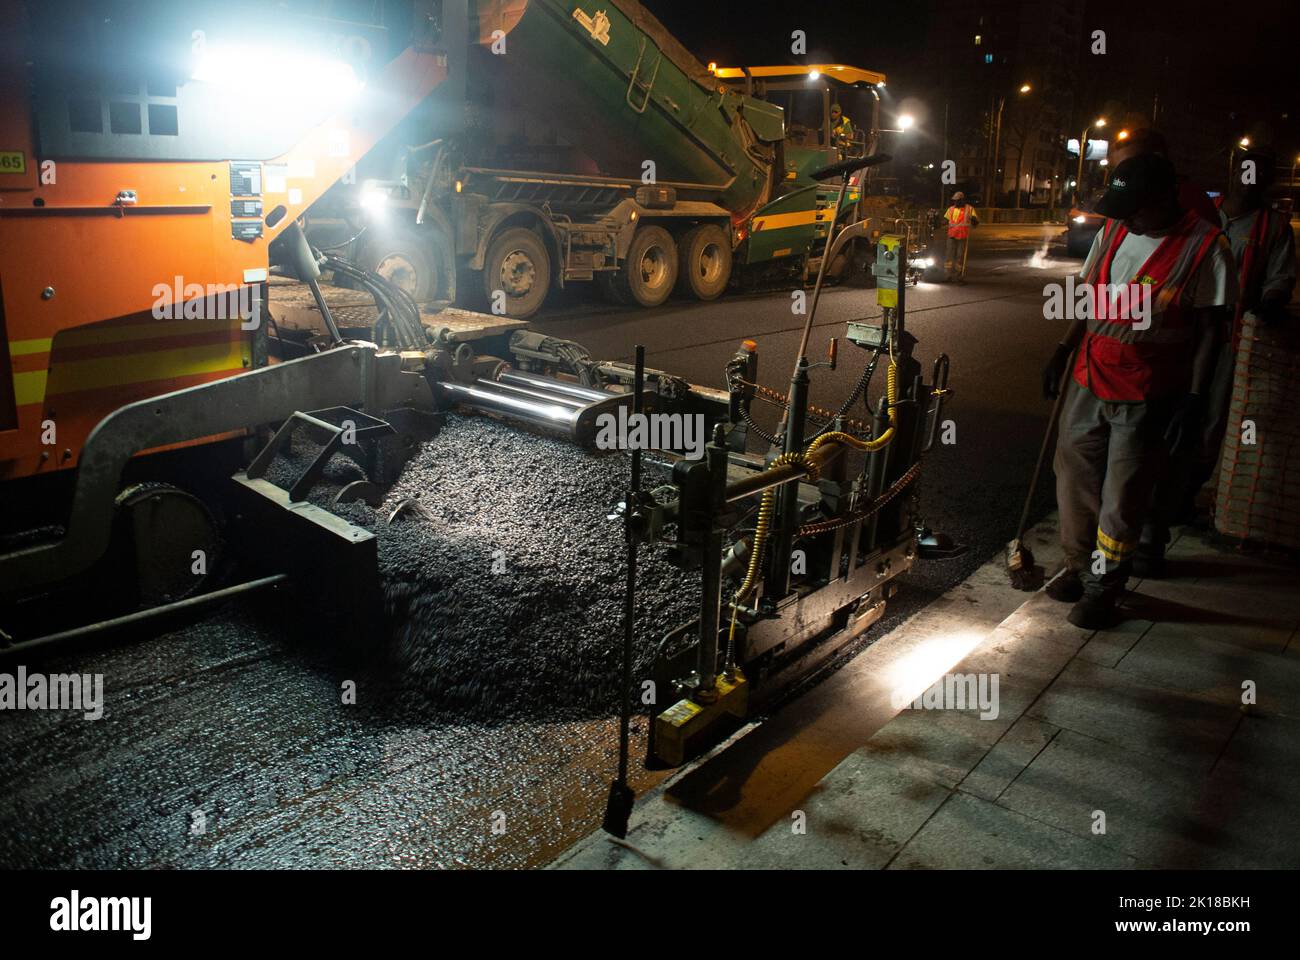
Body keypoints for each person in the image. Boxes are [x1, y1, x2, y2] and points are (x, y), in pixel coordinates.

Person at [1042, 153, 1236, 627]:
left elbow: (1212, 329)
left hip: (1147, 389)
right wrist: (1065, 347)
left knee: (1123, 495)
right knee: (1074, 476)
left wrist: (1195, 396)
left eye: (1136, 209)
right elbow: (1088, 295)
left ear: (1166, 198)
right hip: (1089, 373)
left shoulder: (1206, 246)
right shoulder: (1113, 230)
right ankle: (1078, 566)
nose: (1126, 218)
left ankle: (1105, 587)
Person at [1135, 148, 1296, 574]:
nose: (1249, 180)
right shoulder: (1203, 214)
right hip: (1178, 336)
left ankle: (1171, 509)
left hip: (1228, 341)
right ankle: (1148, 520)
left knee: (1201, 426)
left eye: (1258, 173)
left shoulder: (1272, 226)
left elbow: (1280, 276)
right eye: (1245, 171)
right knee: (1155, 424)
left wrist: (1272, 299)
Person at [943, 191, 978, 282]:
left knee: (960, 256)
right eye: (954, 201)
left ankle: (959, 276)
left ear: (962, 200)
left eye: (957, 201)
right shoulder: (951, 209)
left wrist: (974, 220)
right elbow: (945, 220)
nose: (955, 202)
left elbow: (975, 223)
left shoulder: (969, 209)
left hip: (962, 236)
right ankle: (948, 276)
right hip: (951, 235)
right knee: (949, 256)